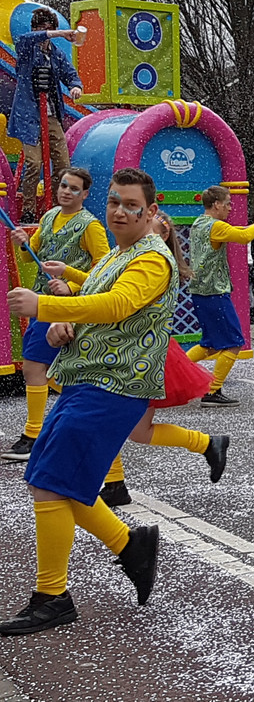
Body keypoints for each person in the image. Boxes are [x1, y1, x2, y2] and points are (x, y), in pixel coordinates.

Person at [0, 168, 174, 635]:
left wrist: (46, 307)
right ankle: (128, 545)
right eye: (115, 201)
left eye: (130, 205)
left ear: (150, 211)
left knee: (50, 482)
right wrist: (67, 327)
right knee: (44, 475)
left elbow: (118, 306)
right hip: (87, 380)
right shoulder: (116, 255)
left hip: (114, 387)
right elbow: (99, 304)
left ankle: (53, 595)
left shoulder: (152, 260)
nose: (119, 210)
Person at [98, 212, 229, 506]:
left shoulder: (155, 263)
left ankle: (114, 484)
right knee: (138, 431)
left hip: (143, 354)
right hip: (131, 351)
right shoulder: (136, 257)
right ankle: (208, 444)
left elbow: (123, 300)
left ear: (162, 236)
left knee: (108, 418)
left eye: (150, 232)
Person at [2, 167, 109, 462]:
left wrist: (71, 283)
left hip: (66, 307)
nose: (66, 191)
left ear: (85, 195)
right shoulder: (49, 217)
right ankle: (87, 418)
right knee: (56, 372)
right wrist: (22, 242)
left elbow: (104, 271)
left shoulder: (90, 226)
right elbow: (29, 256)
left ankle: (33, 435)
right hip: (41, 303)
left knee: (33, 368)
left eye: (74, 188)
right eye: (63, 185)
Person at [184, 185, 254, 408]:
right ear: (217, 204)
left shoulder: (198, 223)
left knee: (209, 344)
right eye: (228, 203)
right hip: (214, 292)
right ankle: (213, 390)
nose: (230, 207)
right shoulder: (215, 226)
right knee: (234, 342)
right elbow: (243, 236)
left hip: (199, 291)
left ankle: (171, 372)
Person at [10, 8, 83, 220]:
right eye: (42, 30)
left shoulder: (55, 55)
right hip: (28, 115)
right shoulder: (27, 49)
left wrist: (75, 86)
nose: (45, 34)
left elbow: (70, 74)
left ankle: (58, 208)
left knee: (62, 164)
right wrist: (59, 34)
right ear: (35, 30)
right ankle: (29, 209)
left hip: (51, 115)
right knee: (33, 162)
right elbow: (26, 39)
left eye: (50, 29)